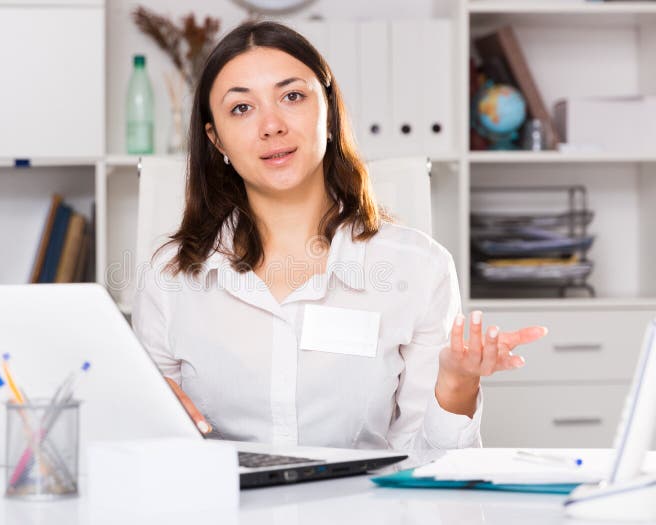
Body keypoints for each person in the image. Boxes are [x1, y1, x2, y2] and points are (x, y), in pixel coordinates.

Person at [132, 20, 547, 450]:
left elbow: (430, 469)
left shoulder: (420, 268)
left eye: (292, 96)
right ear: (216, 140)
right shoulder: (170, 278)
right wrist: (152, 425)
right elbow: (148, 448)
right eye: (242, 108)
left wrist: (459, 383)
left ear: (329, 112)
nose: (271, 125)